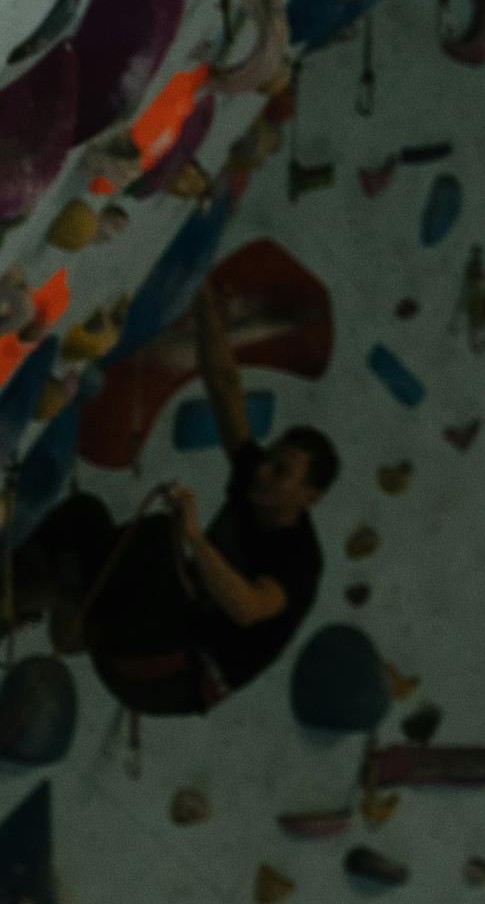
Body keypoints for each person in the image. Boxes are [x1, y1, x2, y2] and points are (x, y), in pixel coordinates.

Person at [5, 282, 335, 716]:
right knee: (82, 519)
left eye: (281, 472)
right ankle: (22, 599)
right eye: (270, 458)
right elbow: (224, 385)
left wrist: (194, 538)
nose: (262, 469)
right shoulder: (254, 481)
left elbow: (250, 608)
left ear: (308, 497)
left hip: (174, 676)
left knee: (156, 539)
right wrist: (202, 300)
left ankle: (74, 614)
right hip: (162, 623)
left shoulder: (298, 560)